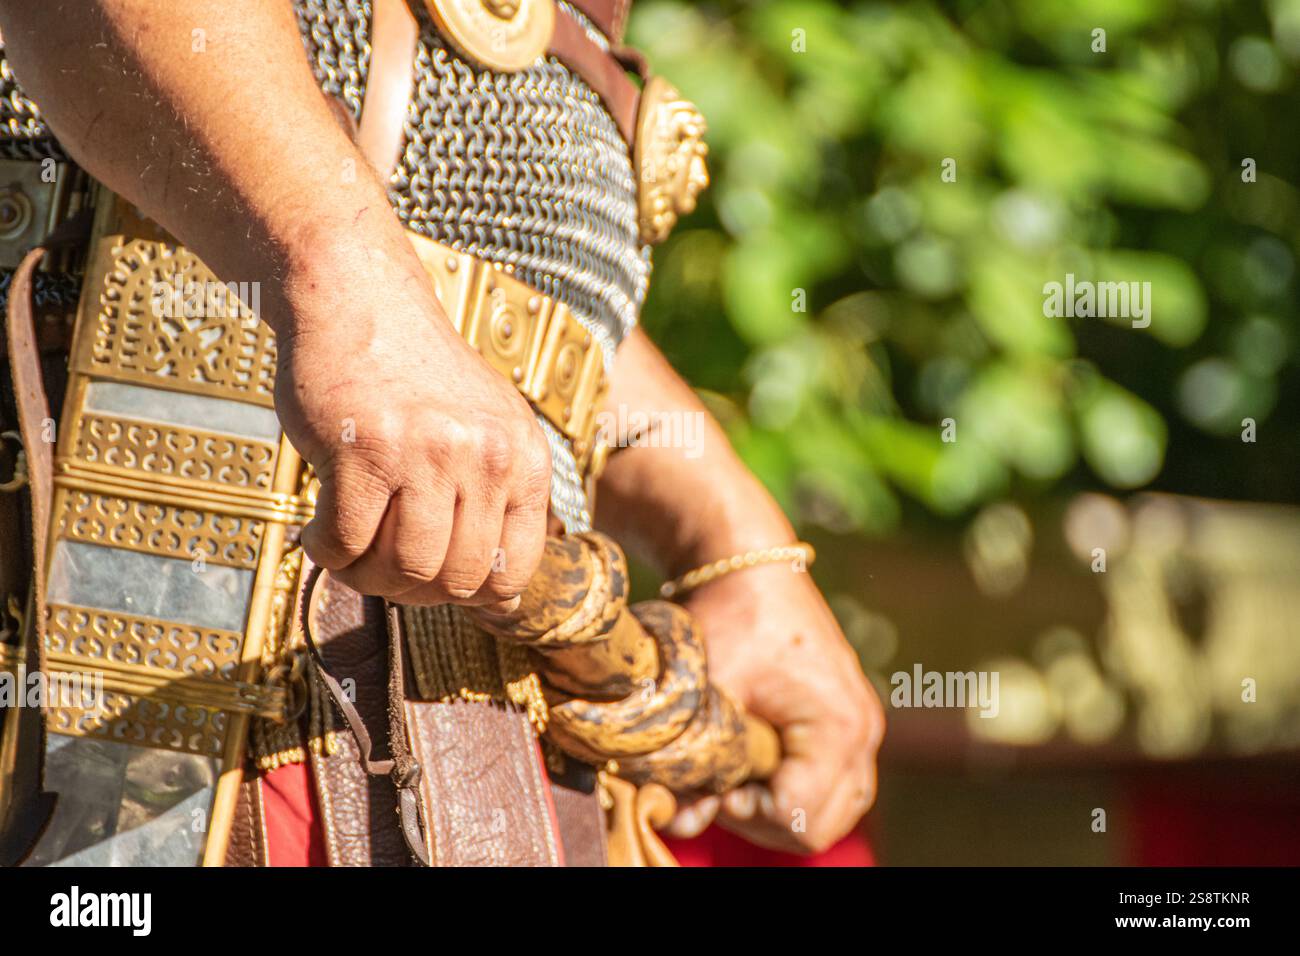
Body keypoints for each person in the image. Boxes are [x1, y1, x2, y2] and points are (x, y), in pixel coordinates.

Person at [0, 0, 882, 857]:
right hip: (137, 547)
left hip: (479, 705)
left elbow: (498, 262)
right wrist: (340, 280)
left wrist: (729, 534)